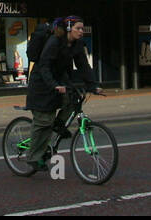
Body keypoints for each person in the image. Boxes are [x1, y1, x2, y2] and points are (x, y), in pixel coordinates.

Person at [22, 15, 100, 170]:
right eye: (78, 28)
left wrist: (93, 86)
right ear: (69, 28)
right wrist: (54, 85)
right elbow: (44, 66)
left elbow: (83, 65)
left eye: (82, 28)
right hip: (42, 82)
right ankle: (33, 157)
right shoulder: (54, 41)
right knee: (44, 120)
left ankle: (58, 126)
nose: (81, 31)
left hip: (59, 79)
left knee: (74, 99)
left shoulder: (76, 44)